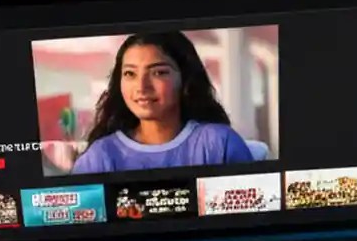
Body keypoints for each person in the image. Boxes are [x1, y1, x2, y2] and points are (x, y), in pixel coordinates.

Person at [69, 32, 254, 175]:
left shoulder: (220, 144)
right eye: (130, 74)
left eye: (158, 72)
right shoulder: (100, 157)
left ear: (185, 78)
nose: (141, 87)